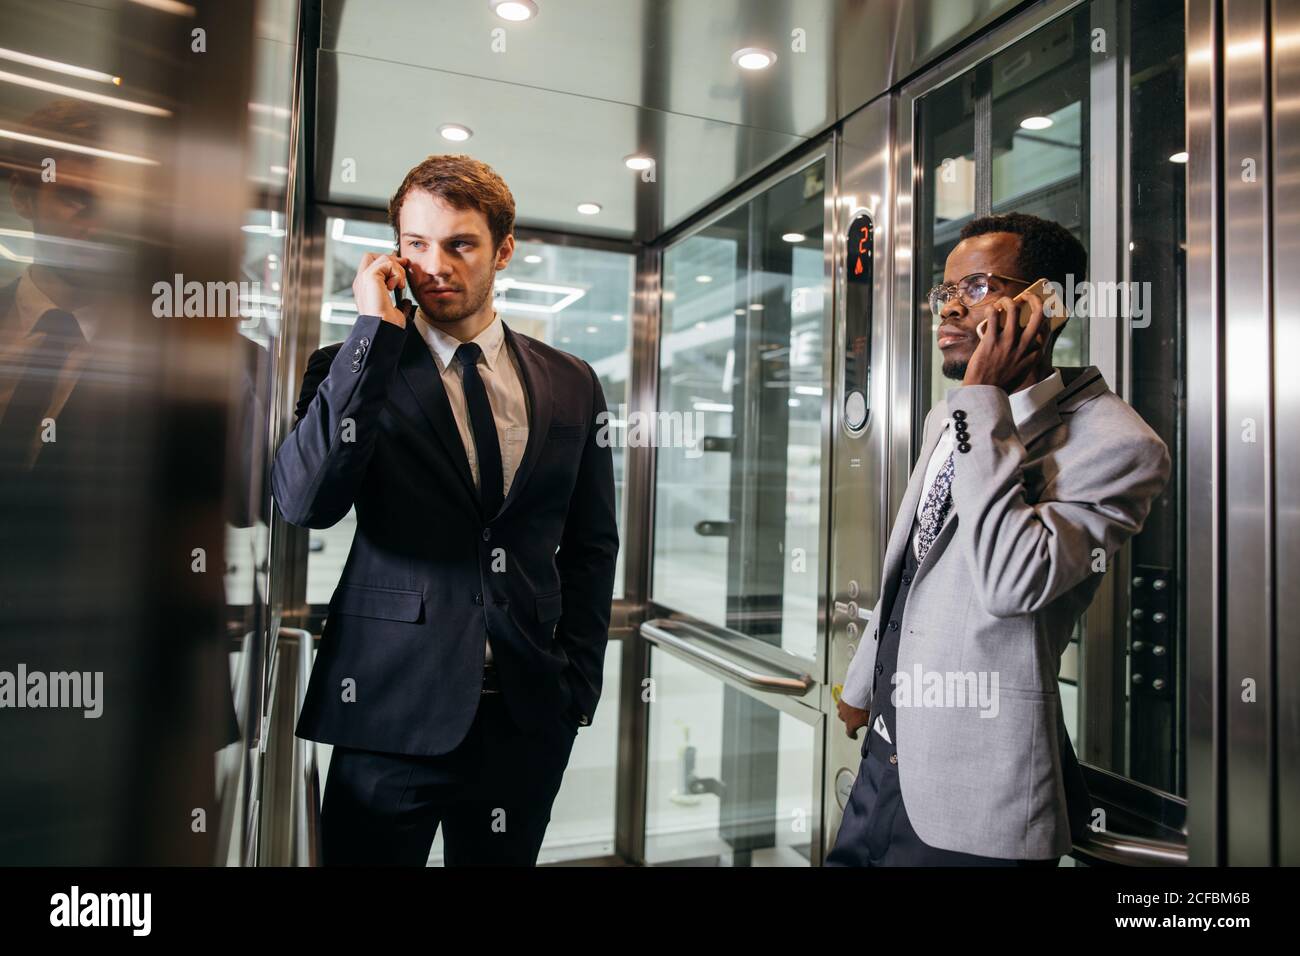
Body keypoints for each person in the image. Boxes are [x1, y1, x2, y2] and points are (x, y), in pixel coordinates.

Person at [272, 154, 618, 866]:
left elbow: (591, 545)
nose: (435, 265)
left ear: (503, 250)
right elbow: (306, 501)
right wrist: (372, 333)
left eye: (460, 244)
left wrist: (575, 689)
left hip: (525, 719)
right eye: (415, 244)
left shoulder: (572, 383)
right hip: (388, 711)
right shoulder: (355, 364)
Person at [828, 212, 1170, 866]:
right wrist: (862, 686)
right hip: (883, 762)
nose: (951, 306)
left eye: (979, 287)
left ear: (1048, 306)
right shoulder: (948, 416)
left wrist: (983, 398)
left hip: (975, 792)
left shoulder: (1118, 446)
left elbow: (1011, 583)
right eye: (944, 291)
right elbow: (913, 560)